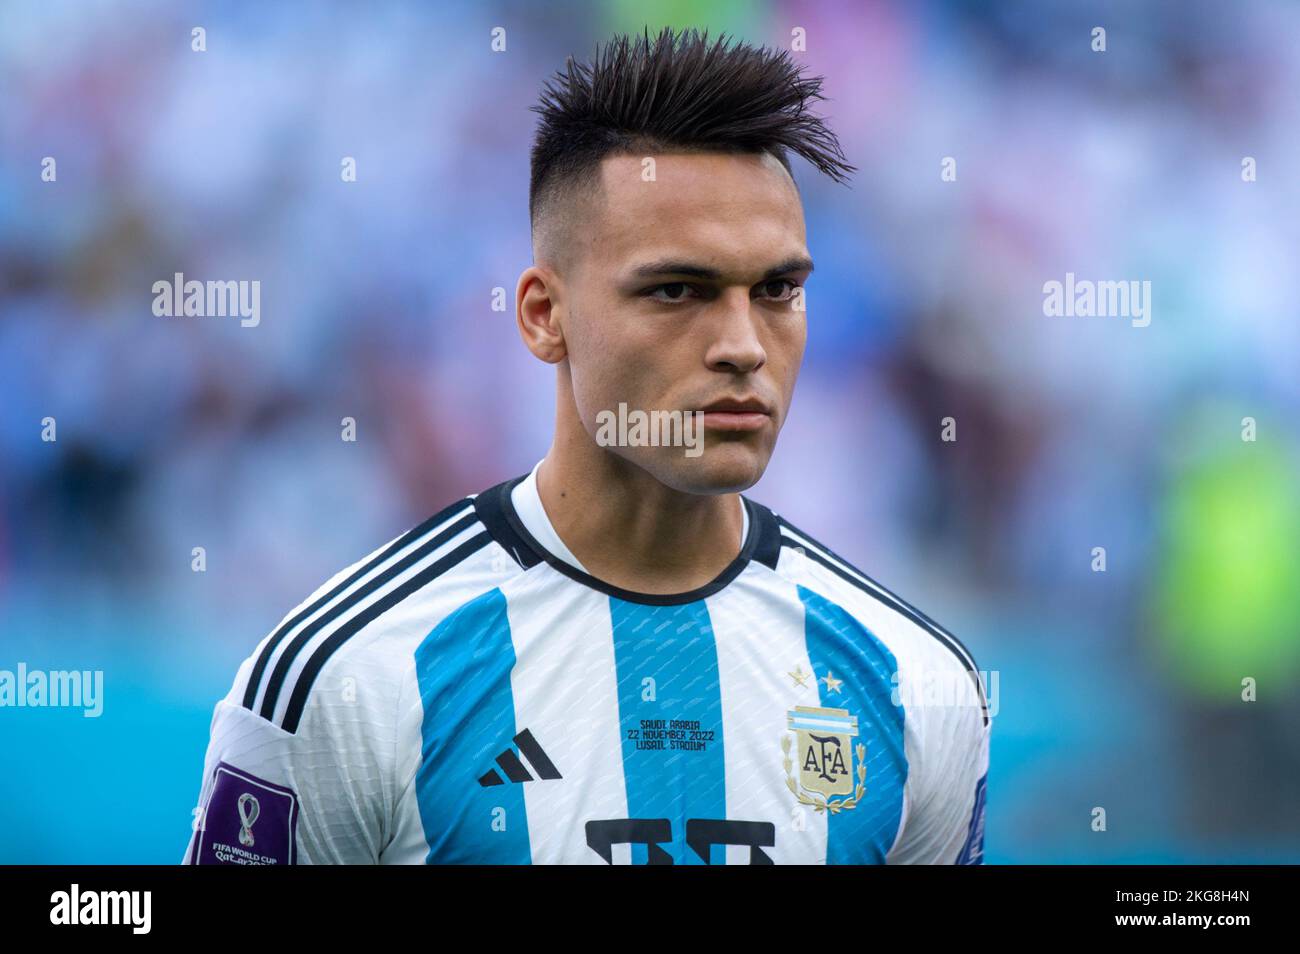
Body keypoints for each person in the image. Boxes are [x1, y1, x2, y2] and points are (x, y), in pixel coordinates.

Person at [184, 26, 989, 865]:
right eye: (679, 289)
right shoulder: (348, 676)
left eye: (778, 290)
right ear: (543, 315)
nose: (744, 345)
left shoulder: (913, 684)